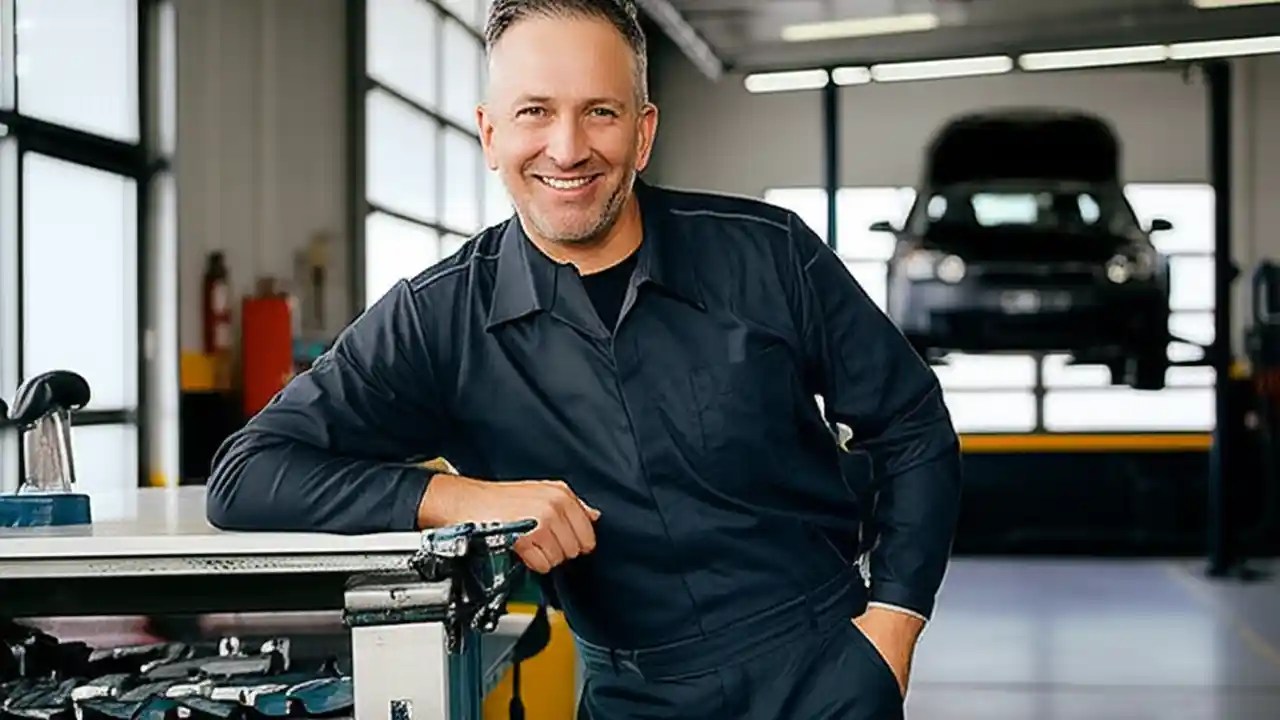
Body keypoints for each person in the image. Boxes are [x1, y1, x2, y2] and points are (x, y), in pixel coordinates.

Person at [206, 0, 963, 716]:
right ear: (490, 132)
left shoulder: (769, 254)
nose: (567, 149)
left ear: (642, 130)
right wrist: (463, 499)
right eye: (534, 112)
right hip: (631, 694)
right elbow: (247, 473)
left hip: (821, 670)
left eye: (599, 111)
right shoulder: (437, 318)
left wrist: (893, 624)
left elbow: (911, 426)